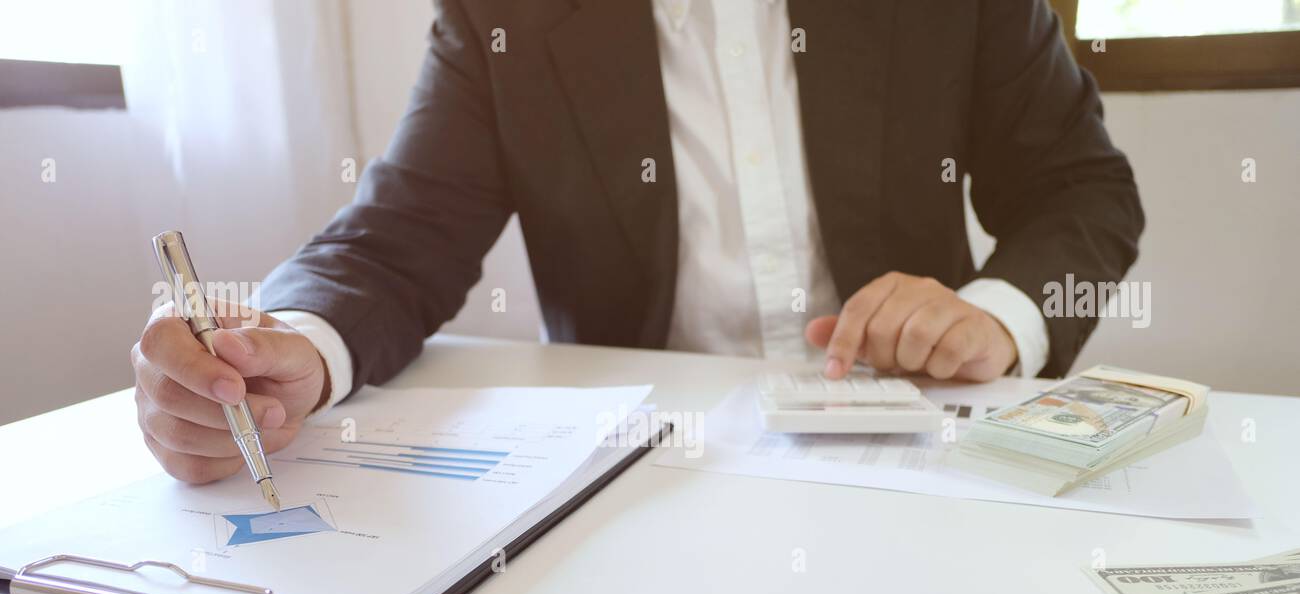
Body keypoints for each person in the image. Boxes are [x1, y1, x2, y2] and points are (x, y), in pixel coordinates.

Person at [131, 0, 1143, 483]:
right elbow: (398, 238)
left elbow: (1080, 190)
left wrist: (994, 318)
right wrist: (289, 350)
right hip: (647, 478)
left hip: (928, 454)